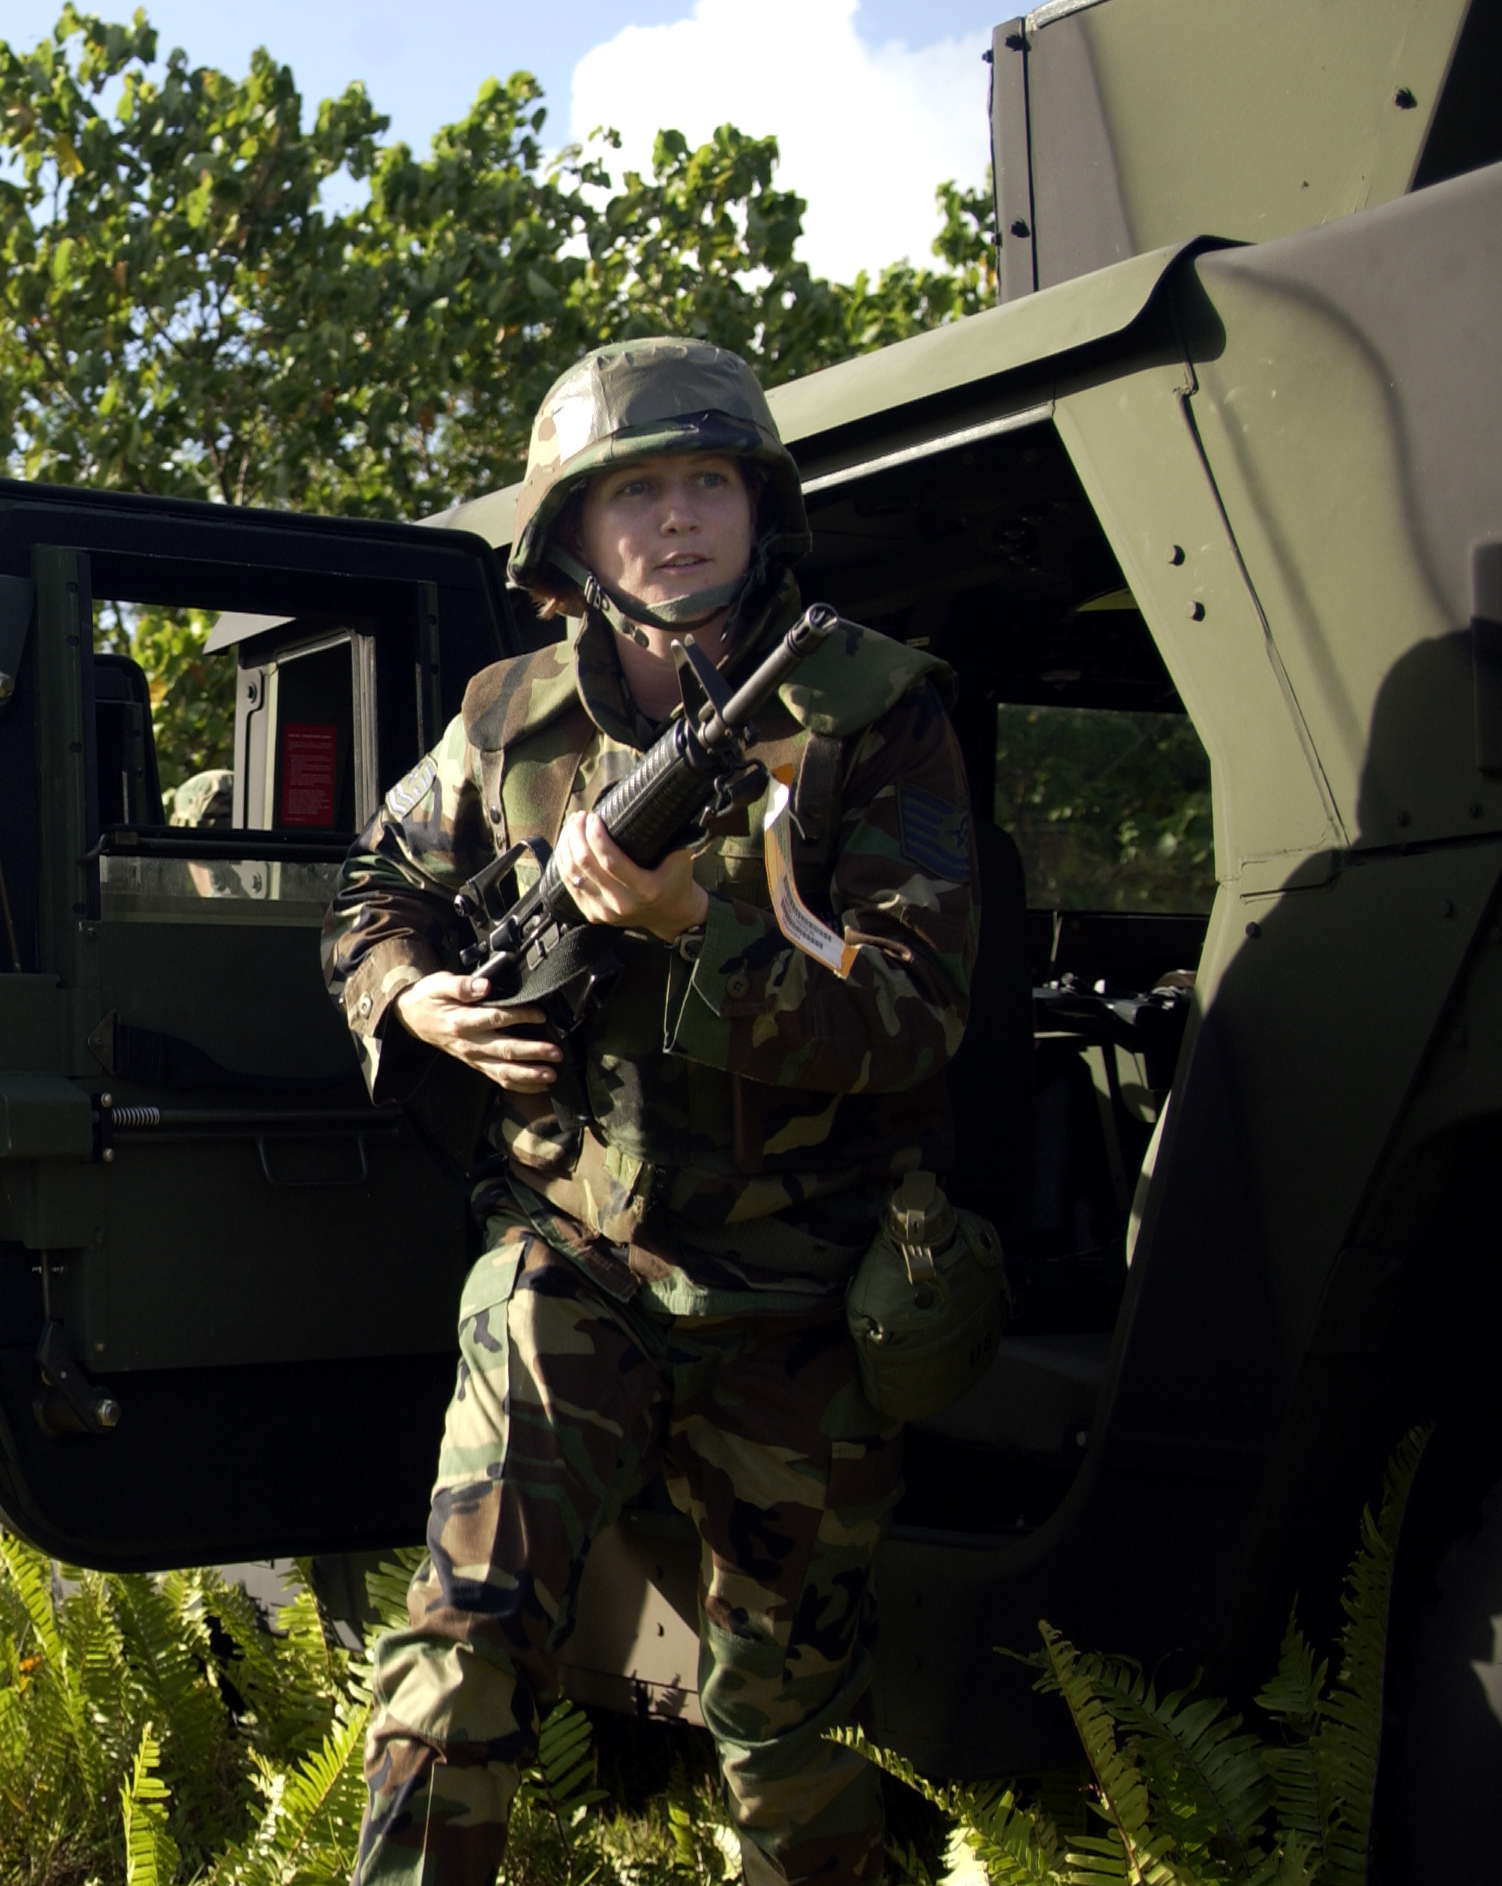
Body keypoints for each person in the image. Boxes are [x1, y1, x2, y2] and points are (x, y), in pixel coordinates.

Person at [324, 338, 980, 1885]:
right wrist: (415, 998)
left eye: (707, 483)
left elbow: (920, 1017)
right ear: (573, 537)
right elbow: (371, 894)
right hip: (574, 1255)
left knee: (788, 1723)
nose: (677, 521)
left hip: (803, 1282)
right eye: (636, 492)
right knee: (460, 1637)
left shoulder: (873, 711)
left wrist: (702, 930)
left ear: (759, 504)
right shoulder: (504, 722)